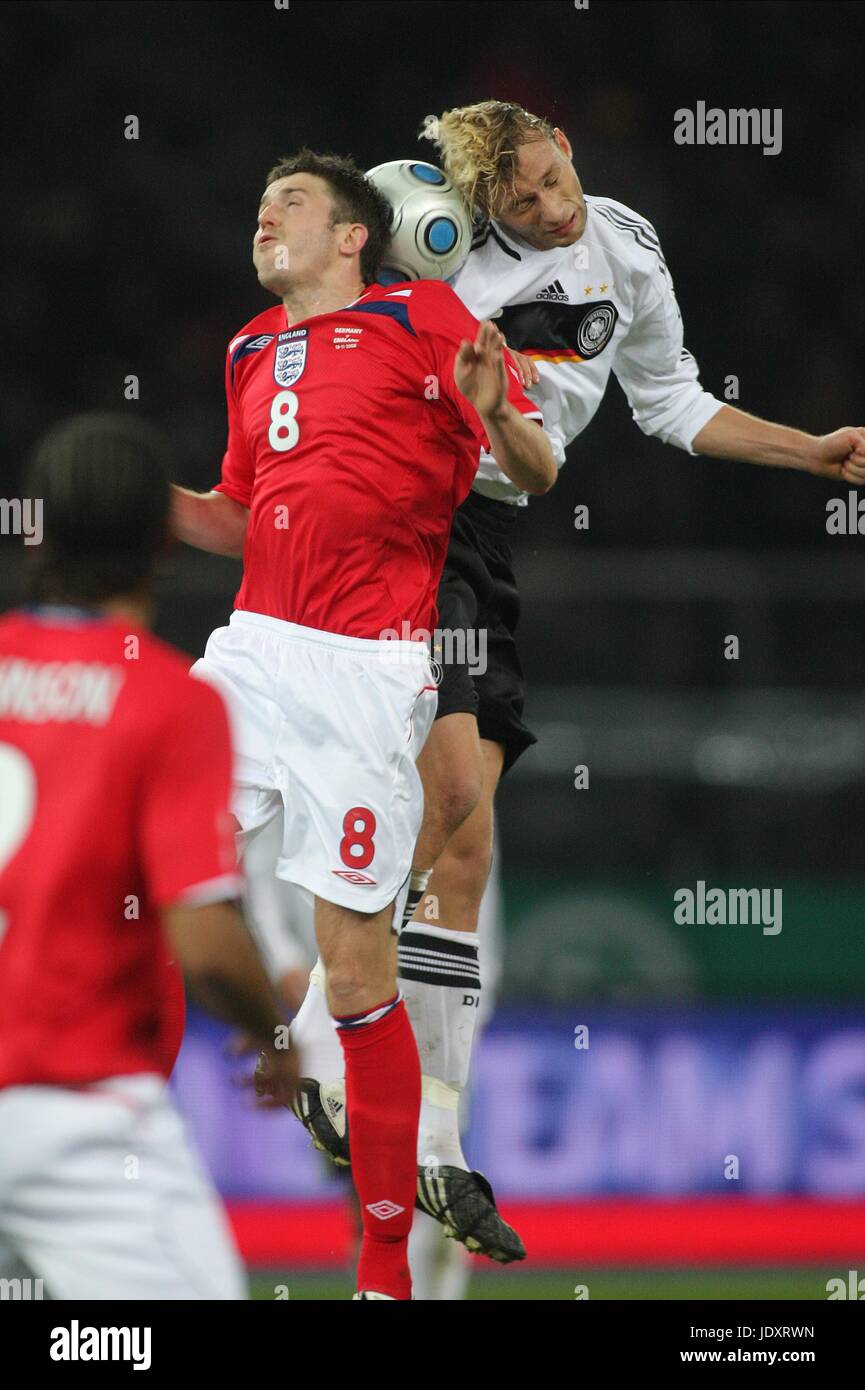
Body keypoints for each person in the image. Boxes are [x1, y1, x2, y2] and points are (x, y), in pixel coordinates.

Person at [292, 101, 865, 1259]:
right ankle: (316, 1040)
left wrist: (808, 451)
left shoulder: (627, 245)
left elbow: (670, 402)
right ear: (481, 206)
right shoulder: (435, 248)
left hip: (492, 544)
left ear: (566, 151)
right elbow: (324, 299)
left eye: (557, 181)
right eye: (524, 203)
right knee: (441, 802)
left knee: (466, 844)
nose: (552, 212)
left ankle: (440, 1146)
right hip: (413, 519)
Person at [171, 149, 553, 1299]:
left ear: (351, 234)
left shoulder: (420, 315)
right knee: (122, 856)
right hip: (251, 651)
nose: (263, 219)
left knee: (354, 973)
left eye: (287, 202)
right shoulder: (246, 348)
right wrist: (150, 500)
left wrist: (492, 419)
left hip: (368, 670)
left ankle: (385, 1269)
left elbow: (534, 474)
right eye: (256, 204)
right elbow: (240, 517)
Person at [0, 413, 298, 1300]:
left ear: (39, 530)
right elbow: (204, 943)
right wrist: (275, 1037)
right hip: (78, 1118)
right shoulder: (171, 702)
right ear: (163, 542)